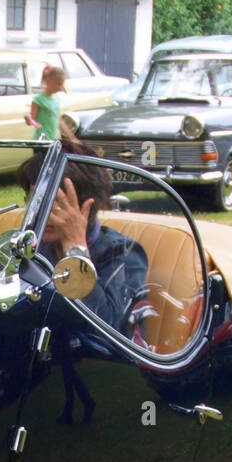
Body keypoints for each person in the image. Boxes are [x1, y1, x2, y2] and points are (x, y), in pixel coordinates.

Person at [17, 139, 148, 335]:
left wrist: (75, 248)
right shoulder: (34, 249)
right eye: (34, 200)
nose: (40, 213)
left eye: (54, 202)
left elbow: (106, 330)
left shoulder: (123, 254)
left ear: (85, 203)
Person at [27, 66, 65, 141]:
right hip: (42, 141)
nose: (60, 88)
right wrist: (28, 119)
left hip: (53, 140)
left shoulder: (56, 98)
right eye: (58, 84)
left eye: (61, 84)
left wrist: (72, 138)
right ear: (49, 81)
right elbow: (31, 120)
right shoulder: (38, 99)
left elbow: (59, 119)